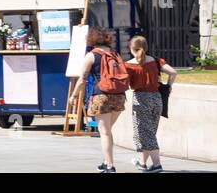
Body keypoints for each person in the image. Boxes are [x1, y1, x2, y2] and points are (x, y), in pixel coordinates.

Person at [71, 27, 131, 172]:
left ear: (91, 39)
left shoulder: (91, 55)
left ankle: (110, 166)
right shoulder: (115, 54)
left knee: (104, 132)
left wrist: (73, 95)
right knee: (108, 130)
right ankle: (106, 161)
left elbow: (82, 79)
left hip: (101, 96)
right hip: (119, 96)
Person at [125, 35, 177, 173]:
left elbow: (123, 83)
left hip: (141, 98)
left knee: (145, 133)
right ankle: (142, 163)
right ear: (146, 47)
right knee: (150, 132)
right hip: (157, 97)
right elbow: (173, 72)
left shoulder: (129, 65)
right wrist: (168, 86)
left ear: (132, 49)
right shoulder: (155, 60)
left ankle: (157, 164)